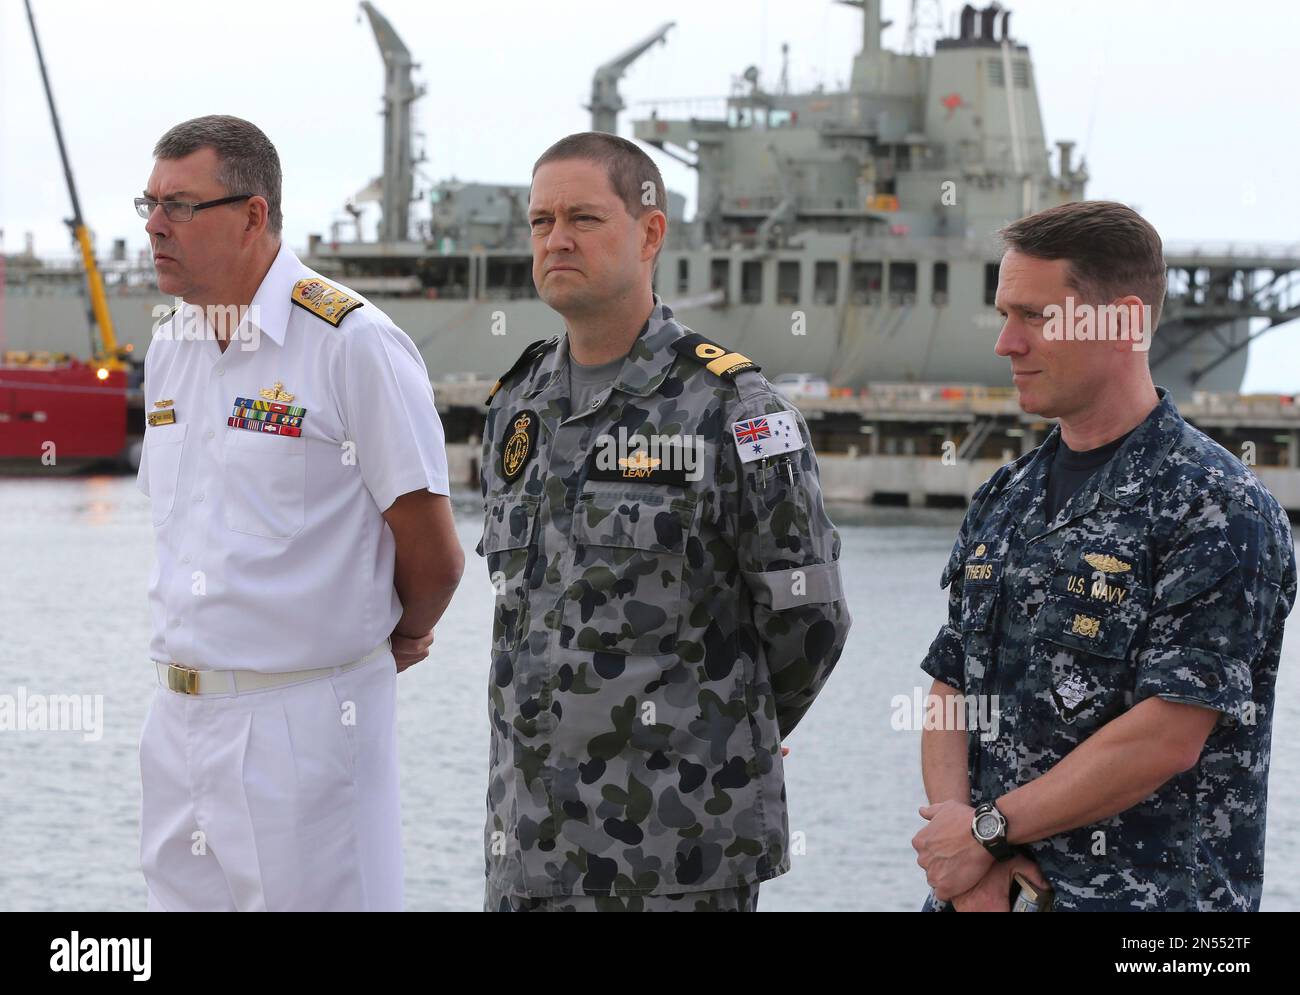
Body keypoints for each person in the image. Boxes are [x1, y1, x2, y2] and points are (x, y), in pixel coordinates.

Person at [477, 132, 852, 912]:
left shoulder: (735, 411)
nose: (557, 239)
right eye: (541, 221)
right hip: (528, 849)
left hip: (674, 852)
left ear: (650, 232)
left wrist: (719, 728)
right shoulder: (518, 407)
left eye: (583, 217)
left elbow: (808, 620)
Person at [912, 199, 1296, 911]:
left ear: (1119, 321)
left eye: (1035, 316)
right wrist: (959, 853)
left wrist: (988, 834)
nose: (1006, 344)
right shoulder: (1007, 498)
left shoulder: (1216, 508)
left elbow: (1165, 735)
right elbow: (949, 687)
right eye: (1005, 314)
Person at [134, 115, 463, 910]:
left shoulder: (352, 344)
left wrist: (398, 632)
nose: (153, 225)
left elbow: (435, 551)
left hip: (304, 720)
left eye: (179, 205)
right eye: (147, 202)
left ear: (253, 215)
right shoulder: (171, 347)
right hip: (177, 720)